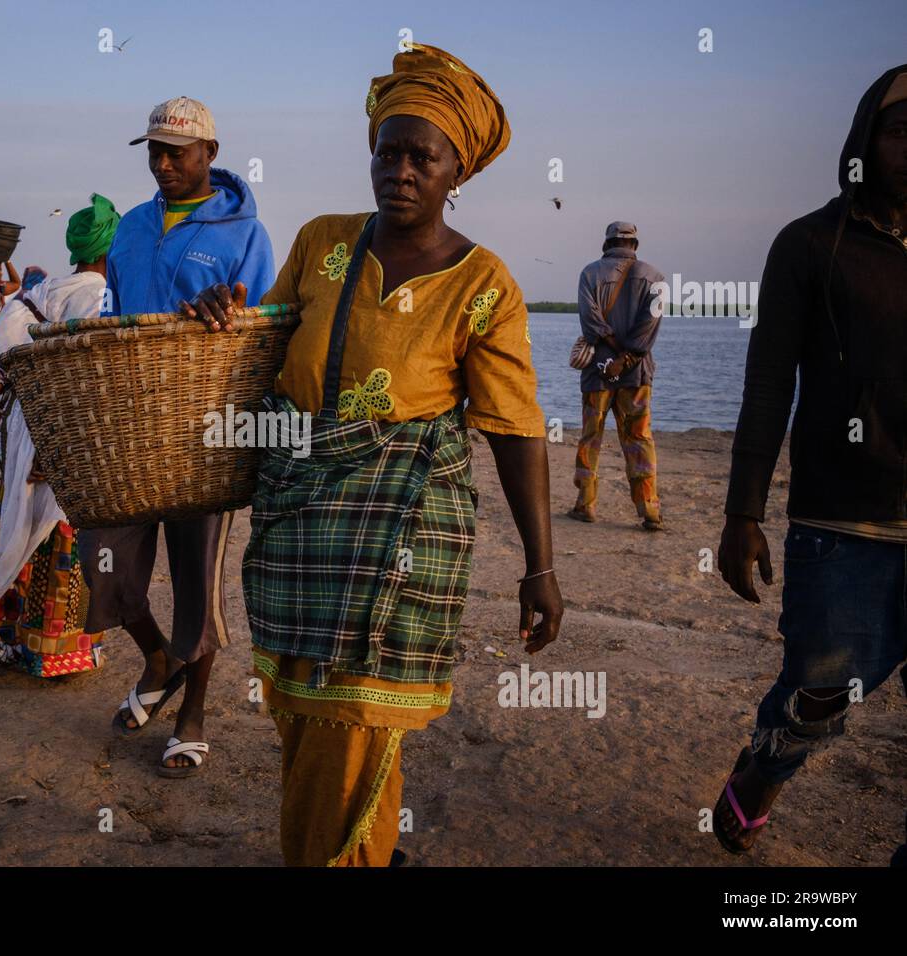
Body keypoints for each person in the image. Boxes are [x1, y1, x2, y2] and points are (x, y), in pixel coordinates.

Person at [188, 43, 563, 866]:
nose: (400, 171)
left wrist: (540, 566)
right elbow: (262, 351)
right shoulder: (323, 242)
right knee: (303, 708)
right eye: (387, 153)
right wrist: (222, 310)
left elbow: (514, 427)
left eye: (421, 157)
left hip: (400, 531)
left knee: (351, 720)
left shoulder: (484, 283)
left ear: (455, 171)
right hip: (299, 522)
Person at [713, 65, 907, 856]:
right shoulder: (808, 244)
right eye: (902, 129)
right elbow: (769, 384)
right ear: (864, 139)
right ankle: (766, 767)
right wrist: (742, 512)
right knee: (819, 697)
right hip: (843, 522)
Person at [78, 96, 275, 776]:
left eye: (177, 152)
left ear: (210, 154)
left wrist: (231, 312)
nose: (163, 163)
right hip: (131, 427)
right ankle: (157, 659)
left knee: (197, 580)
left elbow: (261, 329)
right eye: (154, 151)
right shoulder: (132, 227)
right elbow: (112, 318)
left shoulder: (245, 233)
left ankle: (192, 714)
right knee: (103, 562)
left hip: (204, 430)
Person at [0, 194, 121, 677]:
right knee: (60, 535)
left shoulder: (36, 294)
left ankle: (1, 637)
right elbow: (90, 379)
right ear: (111, 248)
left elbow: (1, 369)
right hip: (65, 434)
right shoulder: (101, 298)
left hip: (14, 435)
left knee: (9, 527)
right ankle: (52, 651)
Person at [568, 223, 665, 530]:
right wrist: (628, 358)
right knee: (639, 438)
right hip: (636, 374)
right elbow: (649, 324)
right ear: (634, 245)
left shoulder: (589, 274)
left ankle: (586, 504)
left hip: (597, 373)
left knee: (591, 436)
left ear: (606, 244)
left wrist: (614, 353)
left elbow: (590, 320)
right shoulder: (655, 277)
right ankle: (649, 509)